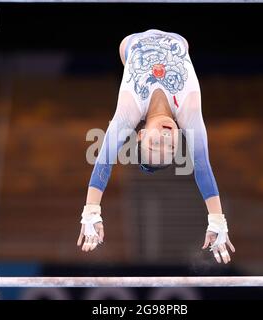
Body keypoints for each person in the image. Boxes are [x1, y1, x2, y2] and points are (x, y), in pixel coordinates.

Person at [77, 29, 235, 264]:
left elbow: (105, 159)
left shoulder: (130, 110)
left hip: (131, 43)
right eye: (171, 148)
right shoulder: (189, 112)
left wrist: (91, 211)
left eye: (155, 144)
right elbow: (202, 166)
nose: (165, 138)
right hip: (179, 39)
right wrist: (216, 219)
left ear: (140, 135)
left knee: (123, 50)